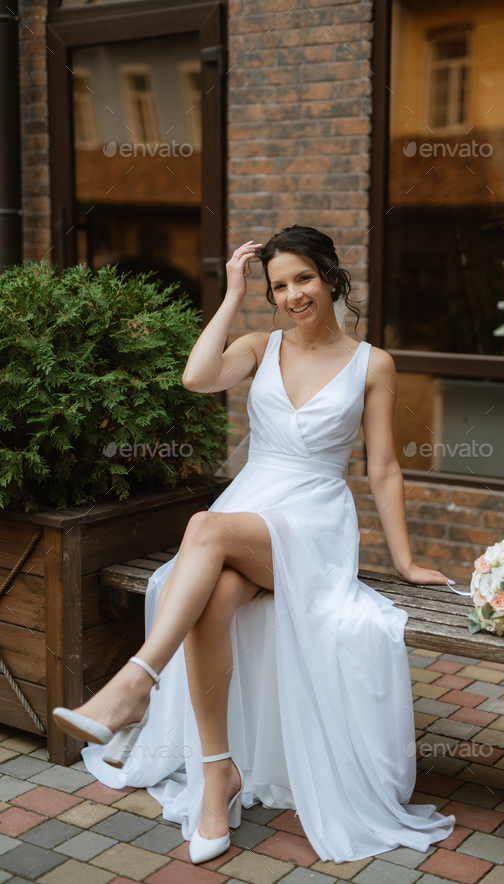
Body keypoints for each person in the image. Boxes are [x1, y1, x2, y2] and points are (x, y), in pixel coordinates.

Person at [53, 225, 456, 865]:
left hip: (313, 522)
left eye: (303, 278)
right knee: (211, 601)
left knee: (202, 528)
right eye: (278, 286)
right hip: (252, 508)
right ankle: (218, 775)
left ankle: (136, 680)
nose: (292, 294)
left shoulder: (372, 363)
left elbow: (383, 469)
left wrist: (404, 561)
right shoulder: (259, 346)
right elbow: (196, 376)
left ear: (329, 277)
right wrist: (230, 295)